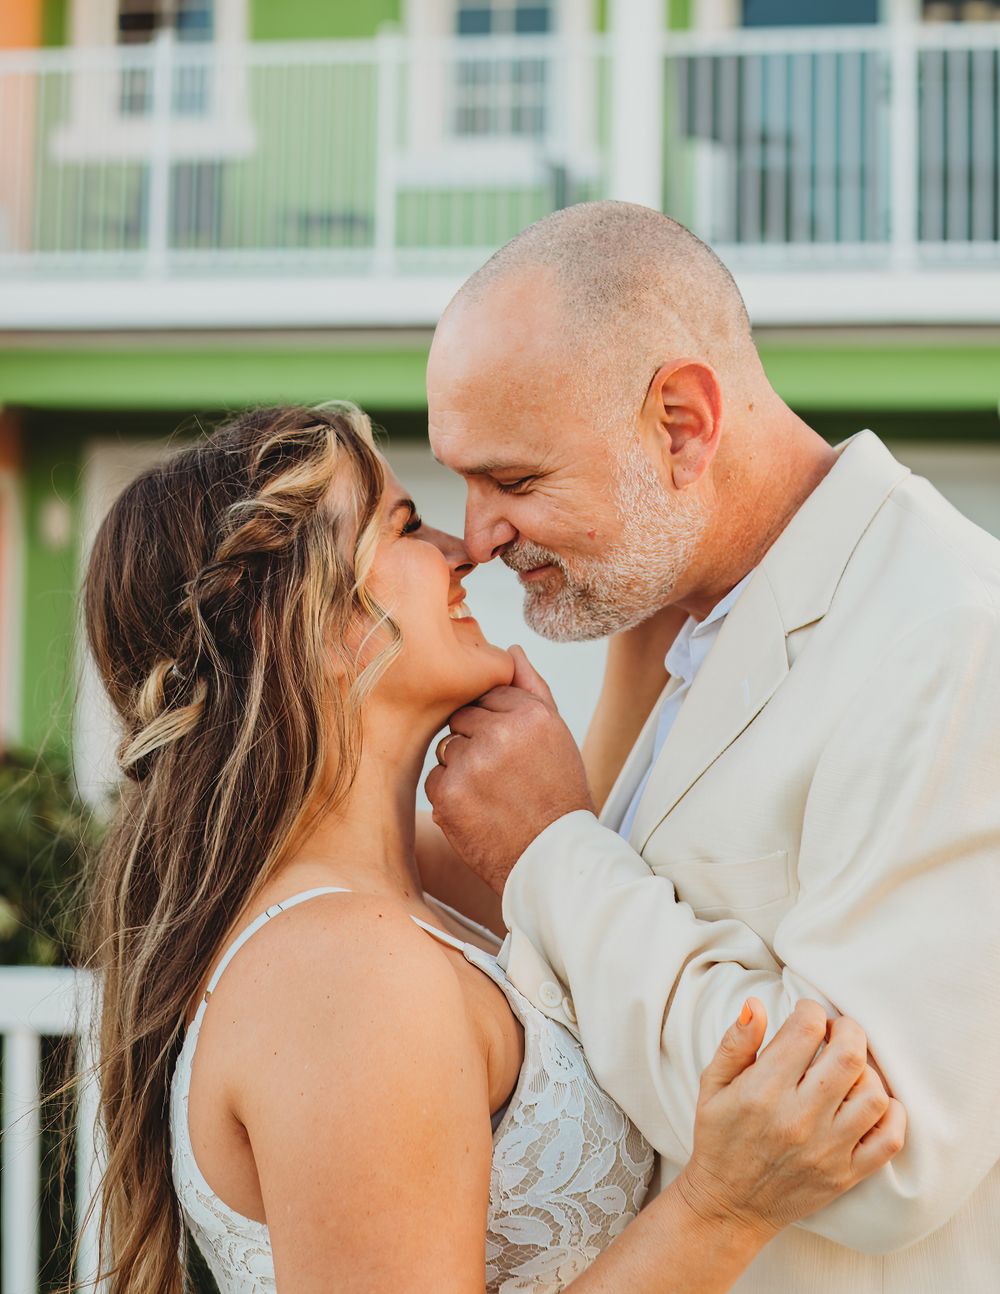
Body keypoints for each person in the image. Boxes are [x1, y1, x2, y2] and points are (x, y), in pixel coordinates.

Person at [79, 404, 901, 1294]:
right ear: (298, 618)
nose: (461, 548)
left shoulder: (412, 886)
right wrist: (722, 1209)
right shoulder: (343, 973)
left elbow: (593, 838)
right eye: (403, 526)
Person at [423, 200, 1000, 1293]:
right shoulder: (674, 626)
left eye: (515, 480)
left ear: (681, 423)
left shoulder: (952, 637)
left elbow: (886, 1159)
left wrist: (552, 848)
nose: (477, 535)